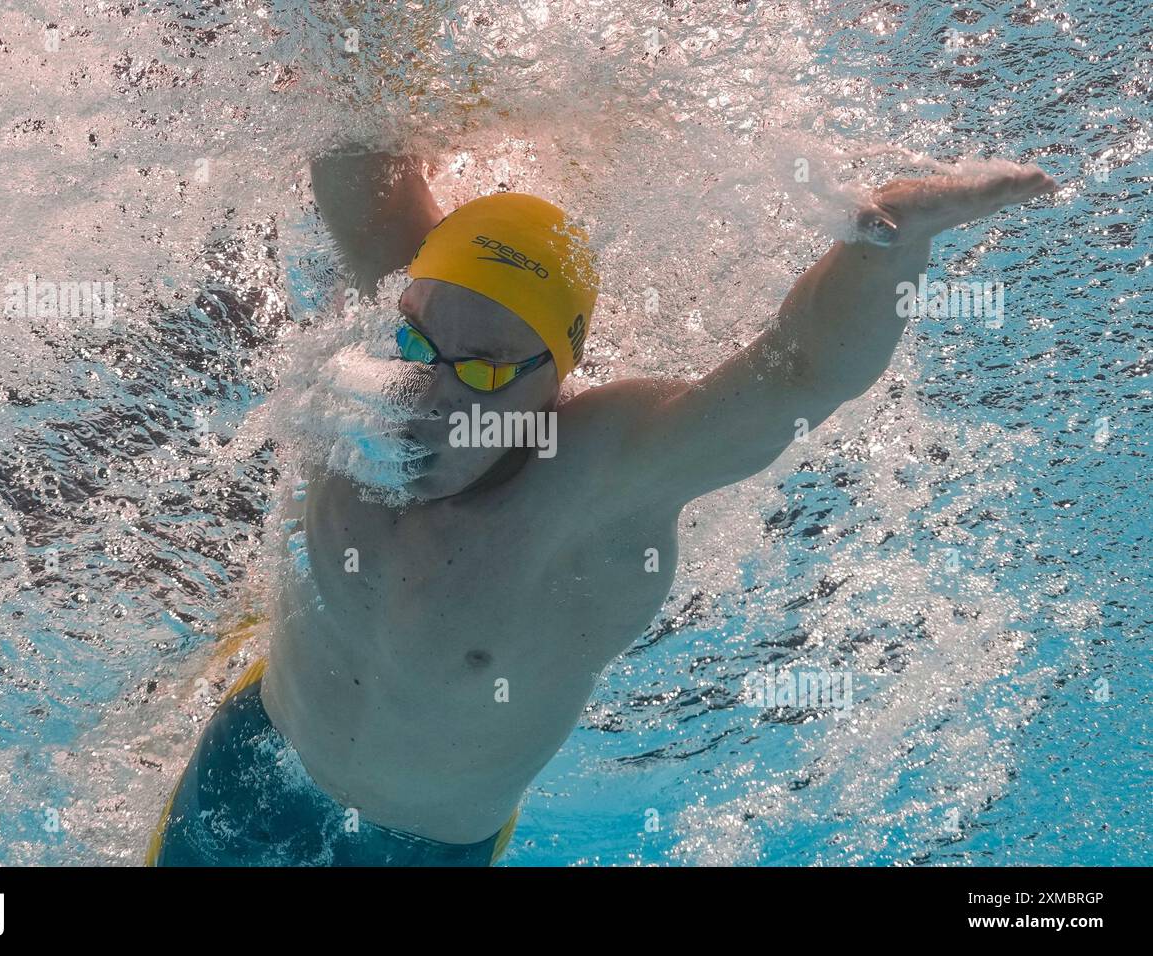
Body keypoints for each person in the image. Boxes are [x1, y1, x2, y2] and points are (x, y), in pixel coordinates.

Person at [148, 148, 1057, 865]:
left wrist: (884, 245)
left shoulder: (601, 476)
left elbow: (798, 375)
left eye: (483, 372)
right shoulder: (396, 338)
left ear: (557, 381)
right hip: (259, 751)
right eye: (415, 340)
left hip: (418, 848)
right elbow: (355, 148)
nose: (429, 392)